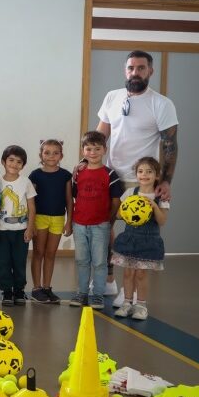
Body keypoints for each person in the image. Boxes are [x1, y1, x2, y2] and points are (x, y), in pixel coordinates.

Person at [96, 50, 179, 299]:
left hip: (141, 180)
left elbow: (170, 145)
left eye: (141, 68)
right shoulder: (112, 97)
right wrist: (87, 164)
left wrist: (166, 181)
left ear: (150, 71)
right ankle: (109, 280)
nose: (135, 72)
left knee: (138, 236)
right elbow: (100, 136)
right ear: (125, 70)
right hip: (111, 176)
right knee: (103, 229)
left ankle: (130, 291)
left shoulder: (161, 104)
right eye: (131, 68)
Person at [68, 131, 123, 309]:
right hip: (79, 224)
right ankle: (82, 293)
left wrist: (108, 220)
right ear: (83, 151)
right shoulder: (78, 174)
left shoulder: (110, 174)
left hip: (101, 225)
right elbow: (74, 196)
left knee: (99, 261)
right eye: (89, 149)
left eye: (97, 149)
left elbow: (116, 201)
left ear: (104, 150)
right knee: (81, 260)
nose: (93, 152)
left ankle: (98, 295)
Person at [112, 157, 169, 321]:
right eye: (141, 171)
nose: (144, 175)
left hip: (148, 242)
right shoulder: (130, 193)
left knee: (141, 274)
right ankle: (127, 303)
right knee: (128, 273)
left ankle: (141, 306)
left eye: (149, 172)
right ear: (136, 174)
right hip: (130, 239)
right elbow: (118, 215)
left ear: (157, 175)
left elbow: (162, 221)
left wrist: (154, 206)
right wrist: (129, 207)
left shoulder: (160, 196)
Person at [28, 139, 72, 304]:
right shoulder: (35, 175)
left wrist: (69, 221)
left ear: (61, 155)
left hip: (58, 218)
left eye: (55, 153)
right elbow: (30, 201)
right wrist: (31, 223)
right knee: (38, 252)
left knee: (51, 253)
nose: (51, 156)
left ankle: (47, 287)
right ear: (41, 155)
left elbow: (69, 200)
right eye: (47, 152)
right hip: (39, 218)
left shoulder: (65, 175)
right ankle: (36, 288)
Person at [0, 145, 37, 306]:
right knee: (4, 262)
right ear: (3, 162)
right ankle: (6, 291)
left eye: (19, 162)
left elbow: (32, 207)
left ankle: (19, 290)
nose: (14, 164)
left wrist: (30, 228)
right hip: (2, 230)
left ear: (23, 165)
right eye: (11, 160)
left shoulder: (26, 182)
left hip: (21, 231)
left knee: (19, 262)